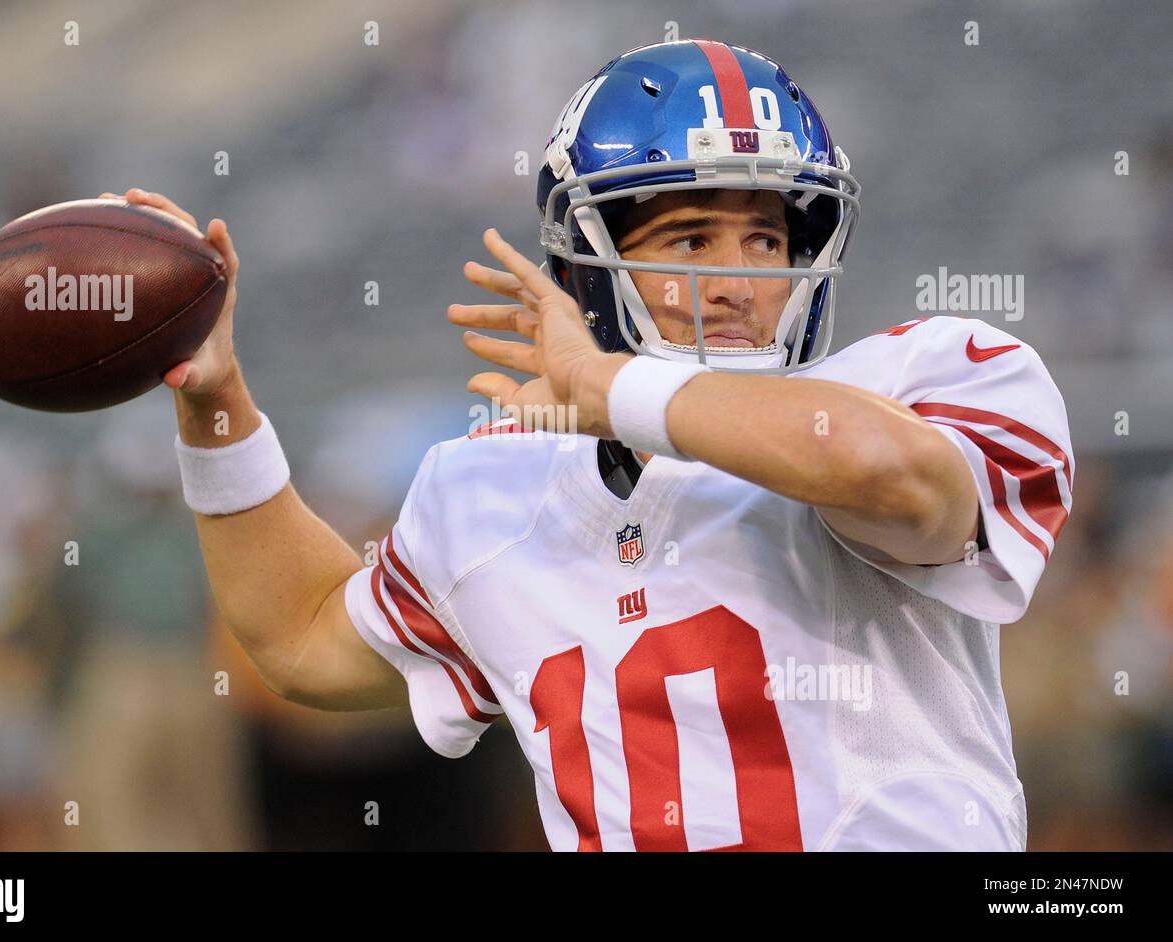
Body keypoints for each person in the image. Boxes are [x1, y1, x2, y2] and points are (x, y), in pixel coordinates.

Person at [112, 39, 1074, 851]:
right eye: (691, 240)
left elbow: (882, 474)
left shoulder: (927, 380)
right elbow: (305, 638)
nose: (739, 281)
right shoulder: (492, 490)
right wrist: (216, 405)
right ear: (588, 262)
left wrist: (609, 387)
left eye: (768, 240)